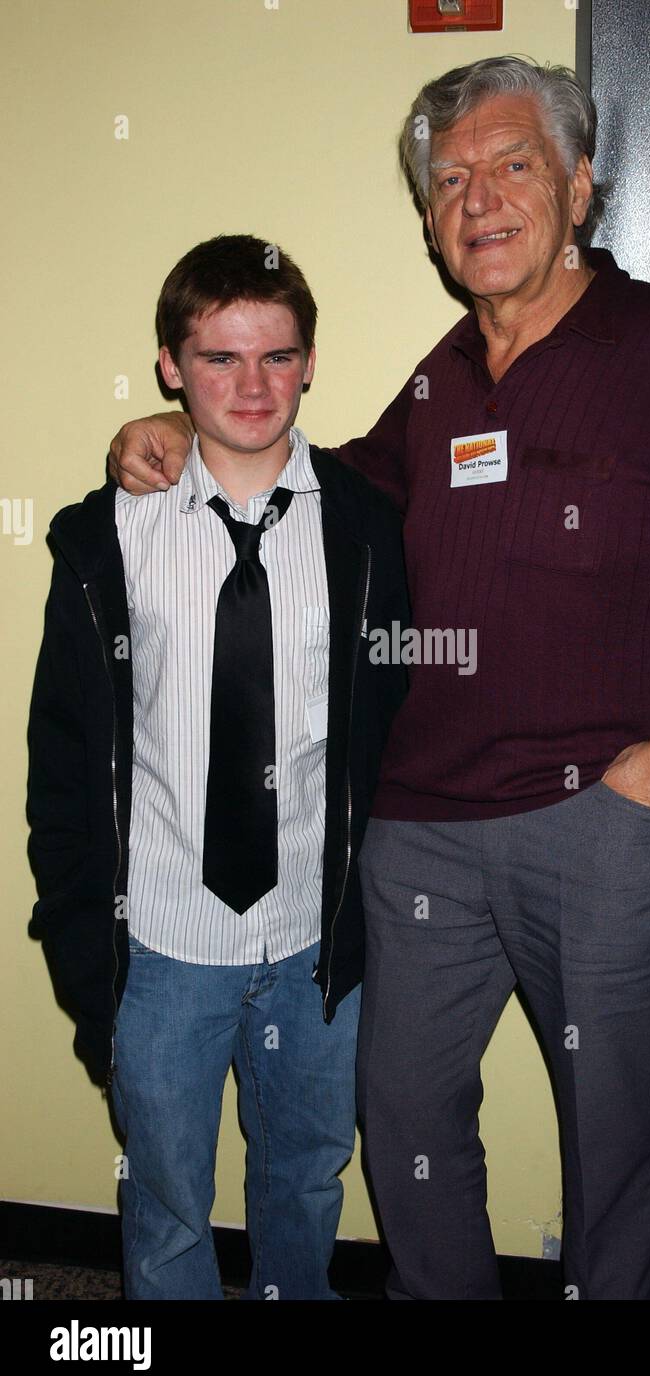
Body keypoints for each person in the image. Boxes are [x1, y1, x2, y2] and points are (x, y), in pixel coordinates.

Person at [107, 58, 650, 1300]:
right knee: (405, 1127)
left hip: (606, 822)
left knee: (610, 1142)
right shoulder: (444, 377)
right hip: (420, 831)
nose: (478, 199)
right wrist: (194, 431)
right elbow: (332, 483)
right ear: (429, 220)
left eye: (511, 166)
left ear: (579, 186)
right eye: (448, 181)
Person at [27, 234, 408, 1299]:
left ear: (311, 362)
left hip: (314, 946)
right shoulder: (108, 537)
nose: (252, 386)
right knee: (165, 1210)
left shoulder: (367, 529)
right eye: (218, 358)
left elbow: (399, 725)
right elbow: (62, 757)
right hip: (161, 946)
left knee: (307, 1184)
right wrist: (77, 931)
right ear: (169, 366)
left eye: (277, 356)